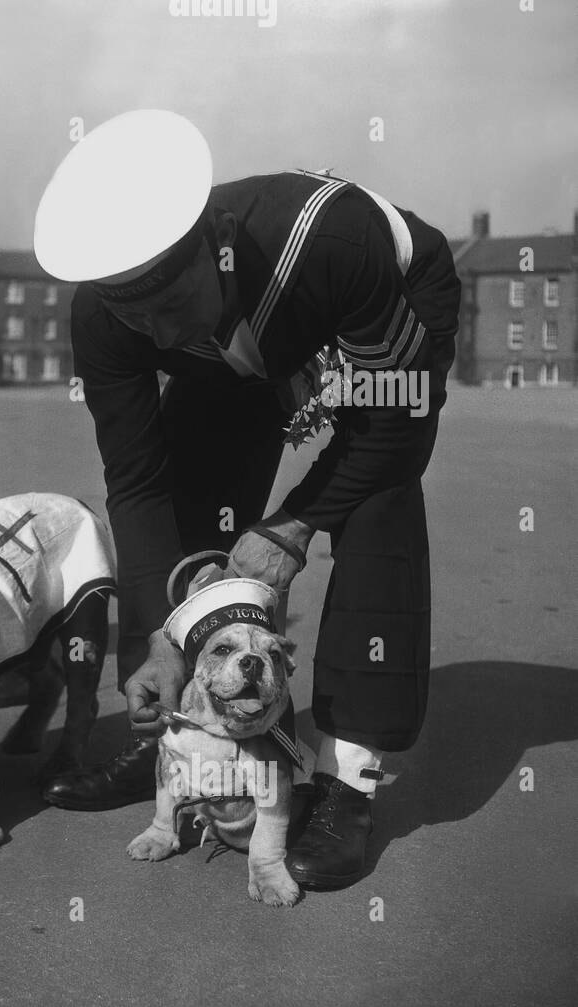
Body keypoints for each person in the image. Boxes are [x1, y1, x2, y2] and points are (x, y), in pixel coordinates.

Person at [32, 110, 461, 890]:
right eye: (139, 319)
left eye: (168, 302)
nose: (158, 331)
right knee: (193, 472)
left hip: (365, 309)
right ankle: (185, 737)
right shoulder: (102, 314)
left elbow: (399, 424)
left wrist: (293, 526)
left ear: (212, 243)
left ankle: (349, 778)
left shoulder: (332, 245)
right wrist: (162, 640)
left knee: (376, 495)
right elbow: (137, 479)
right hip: (249, 339)